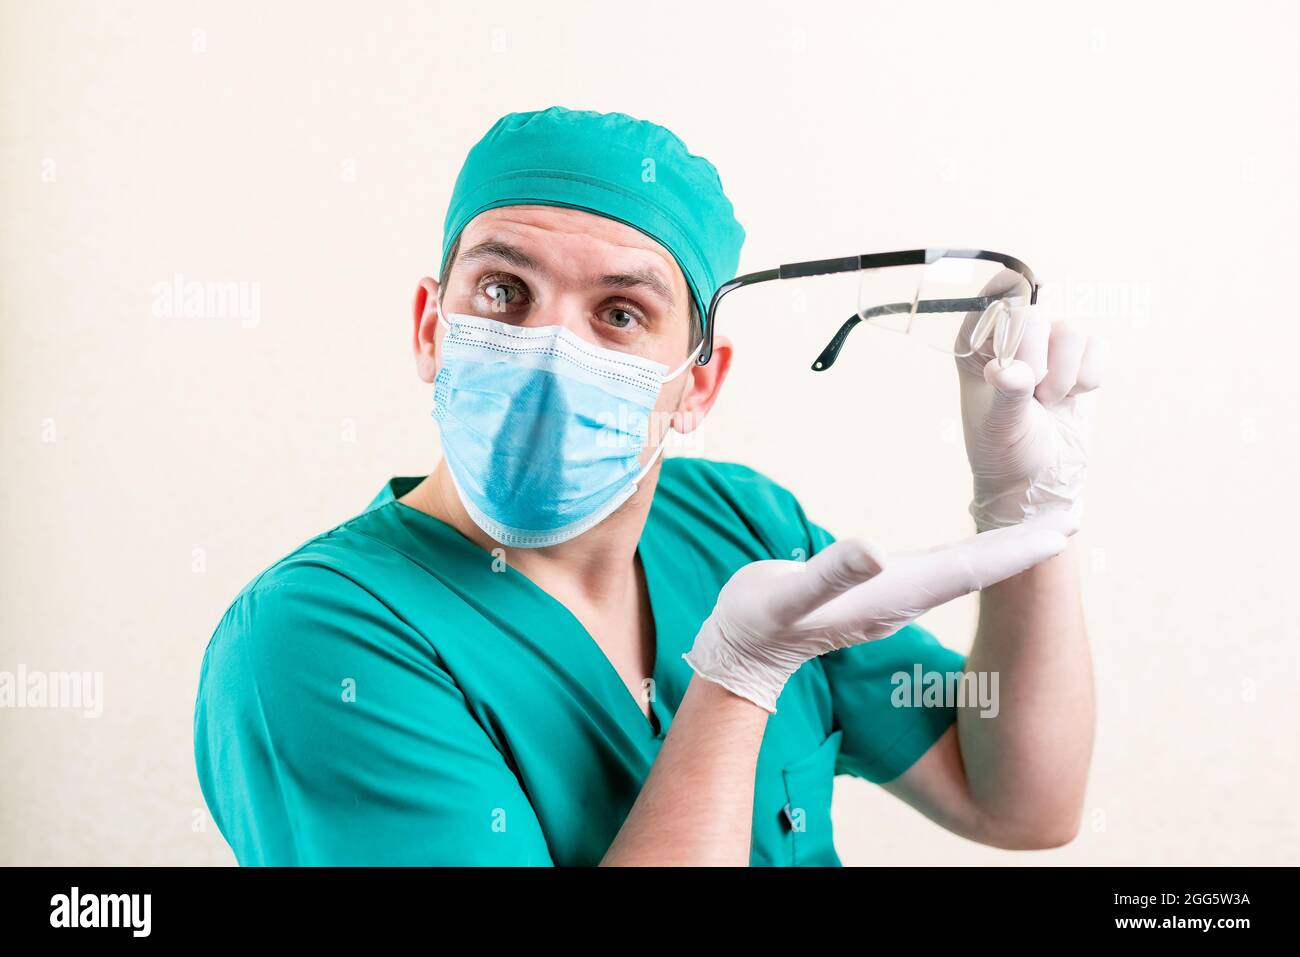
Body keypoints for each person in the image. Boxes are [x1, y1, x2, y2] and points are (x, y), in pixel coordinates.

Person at [193, 106, 1102, 866]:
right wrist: (738, 680)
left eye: (620, 313)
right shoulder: (317, 639)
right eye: (505, 292)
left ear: (698, 383)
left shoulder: (741, 525)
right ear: (432, 327)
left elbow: (1019, 799)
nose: (552, 351)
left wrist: (1025, 515)